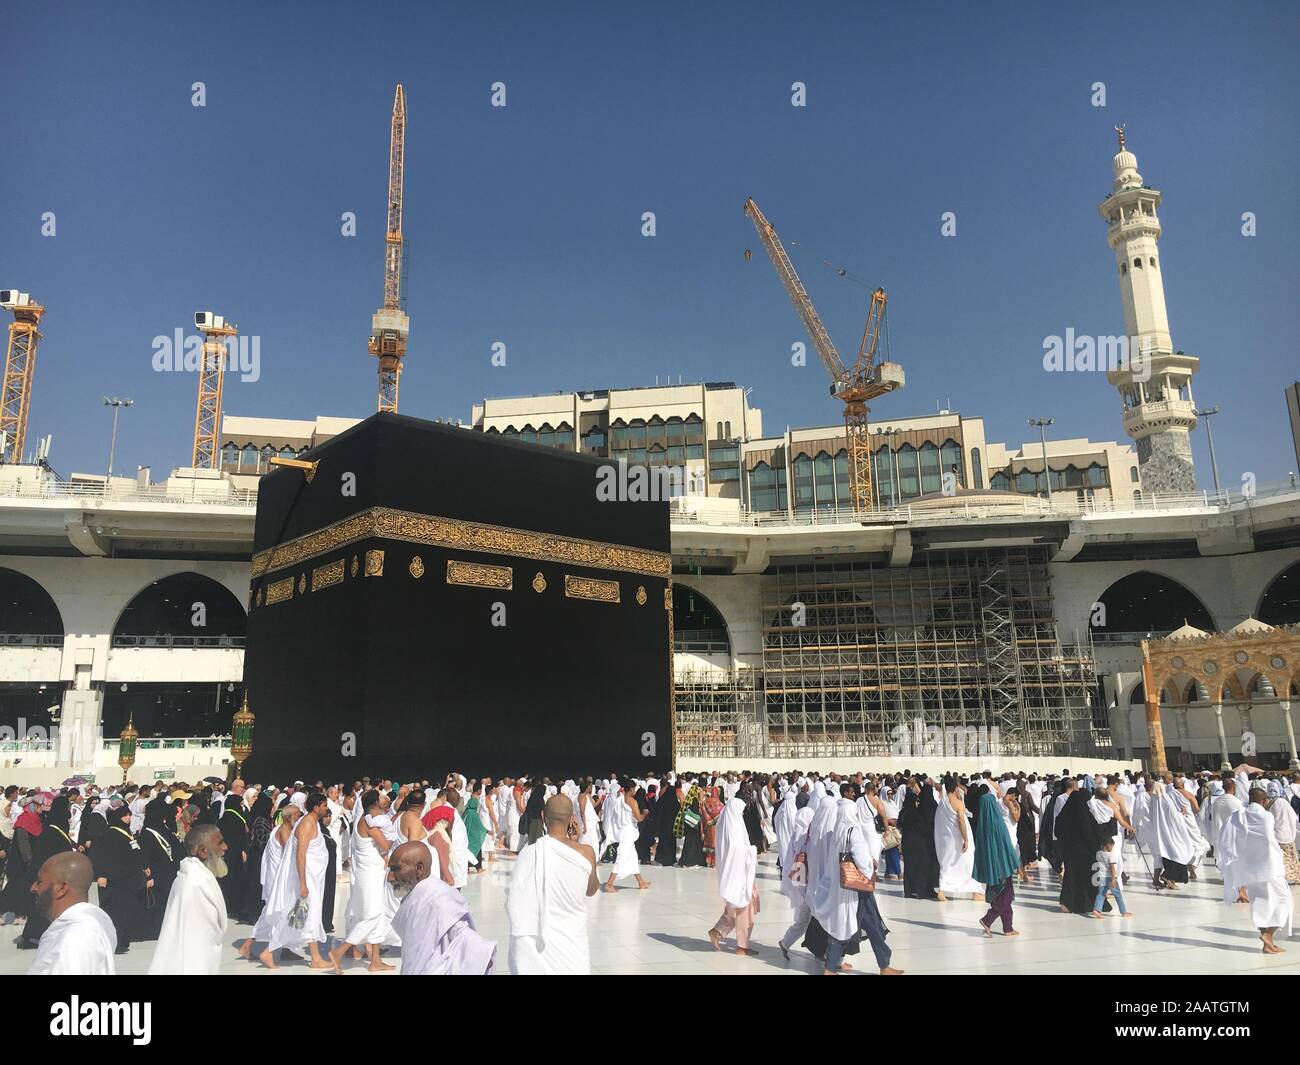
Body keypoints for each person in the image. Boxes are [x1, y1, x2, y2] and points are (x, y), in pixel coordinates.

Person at [506, 794, 598, 974]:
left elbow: (515, 898)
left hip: (533, 948)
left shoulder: (529, 852)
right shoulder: (586, 852)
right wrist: (575, 842)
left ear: (542, 817)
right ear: (572, 819)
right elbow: (591, 889)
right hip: (571, 946)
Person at [388, 842, 496, 974]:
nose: (390, 877)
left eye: (396, 869)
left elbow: (464, 936)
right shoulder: (416, 894)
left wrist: (482, 955)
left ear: (419, 869)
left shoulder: (440, 899)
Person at [262, 792, 334, 970]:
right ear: (316, 807)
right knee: (302, 915)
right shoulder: (307, 824)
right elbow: (300, 854)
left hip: (313, 880)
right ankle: (269, 951)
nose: (327, 809)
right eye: (324, 805)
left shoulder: (312, 822)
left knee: (301, 918)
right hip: (306, 880)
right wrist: (302, 883)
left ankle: (314, 957)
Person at [330, 789, 400, 971]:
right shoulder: (368, 822)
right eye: (381, 798)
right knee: (372, 916)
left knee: (378, 915)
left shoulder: (371, 821)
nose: (385, 800)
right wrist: (392, 835)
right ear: (375, 803)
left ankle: (375, 961)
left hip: (373, 873)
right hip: (369, 876)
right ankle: (339, 951)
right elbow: (385, 845)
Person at [1218, 788, 1293, 954]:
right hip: (1270, 867)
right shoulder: (1266, 816)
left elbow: (1228, 838)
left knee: (1260, 904)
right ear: (1264, 800)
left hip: (1249, 869)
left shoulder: (1237, 816)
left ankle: (1268, 945)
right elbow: (1268, 839)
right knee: (1283, 901)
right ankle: (1268, 935)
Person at [148, 824, 229, 974]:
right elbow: (196, 942)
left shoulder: (196, 876)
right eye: (219, 843)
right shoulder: (194, 884)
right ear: (203, 852)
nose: (225, 847)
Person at [27, 852, 117, 975]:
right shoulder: (95, 922)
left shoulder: (71, 938)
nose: (33, 888)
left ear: (62, 889)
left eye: (39, 882)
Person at [91, 803, 153, 954]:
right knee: (114, 911)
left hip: (127, 879)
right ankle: (114, 942)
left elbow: (134, 851)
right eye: (126, 815)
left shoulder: (127, 833)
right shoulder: (109, 834)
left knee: (124, 911)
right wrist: (101, 874)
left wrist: (143, 866)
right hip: (113, 880)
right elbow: (100, 856)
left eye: (129, 815)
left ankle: (122, 940)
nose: (129, 818)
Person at [707, 796, 759, 956]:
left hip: (739, 873)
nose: (742, 814)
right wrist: (752, 850)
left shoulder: (729, 823)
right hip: (738, 874)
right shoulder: (731, 827)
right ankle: (742, 947)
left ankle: (717, 932)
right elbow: (736, 850)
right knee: (744, 910)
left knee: (736, 908)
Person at [972, 791, 1021, 936]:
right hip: (1002, 866)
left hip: (991, 868)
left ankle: (1008, 928)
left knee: (1001, 897)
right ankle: (988, 919)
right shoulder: (998, 822)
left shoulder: (981, 825)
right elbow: (1006, 844)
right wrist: (1016, 863)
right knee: (1007, 893)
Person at [138, 795, 183, 940]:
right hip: (157, 875)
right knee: (158, 903)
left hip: (171, 872)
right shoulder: (147, 832)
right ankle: (156, 929)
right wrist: (148, 876)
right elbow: (144, 857)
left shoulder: (164, 828)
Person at [934, 777, 983, 901]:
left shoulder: (942, 803)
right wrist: (965, 839)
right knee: (969, 861)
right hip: (959, 838)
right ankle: (975, 891)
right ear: (955, 788)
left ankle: (942, 890)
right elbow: (961, 821)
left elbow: (939, 822)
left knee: (946, 863)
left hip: (947, 839)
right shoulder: (957, 803)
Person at [603, 778, 650, 892]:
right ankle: (609, 883)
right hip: (628, 832)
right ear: (632, 789)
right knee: (622, 857)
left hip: (623, 830)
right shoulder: (632, 801)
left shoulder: (619, 800)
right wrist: (644, 813)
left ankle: (641, 882)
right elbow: (639, 818)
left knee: (632, 857)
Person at [898, 778, 939, 900]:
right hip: (918, 844)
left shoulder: (904, 811)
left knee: (909, 867)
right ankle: (921, 891)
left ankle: (909, 891)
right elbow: (922, 827)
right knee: (921, 867)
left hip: (907, 843)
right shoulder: (915, 812)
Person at [1091, 836, 1131, 919]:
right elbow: (1112, 868)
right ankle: (1123, 912)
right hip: (1109, 877)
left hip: (1101, 876)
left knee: (1101, 894)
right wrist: (1114, 879)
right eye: (1112, 846)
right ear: (1108, 846)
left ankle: (1097, 910)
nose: (1112, 849)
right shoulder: (1111, 855)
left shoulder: (1098, 853)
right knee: (1118, 895)